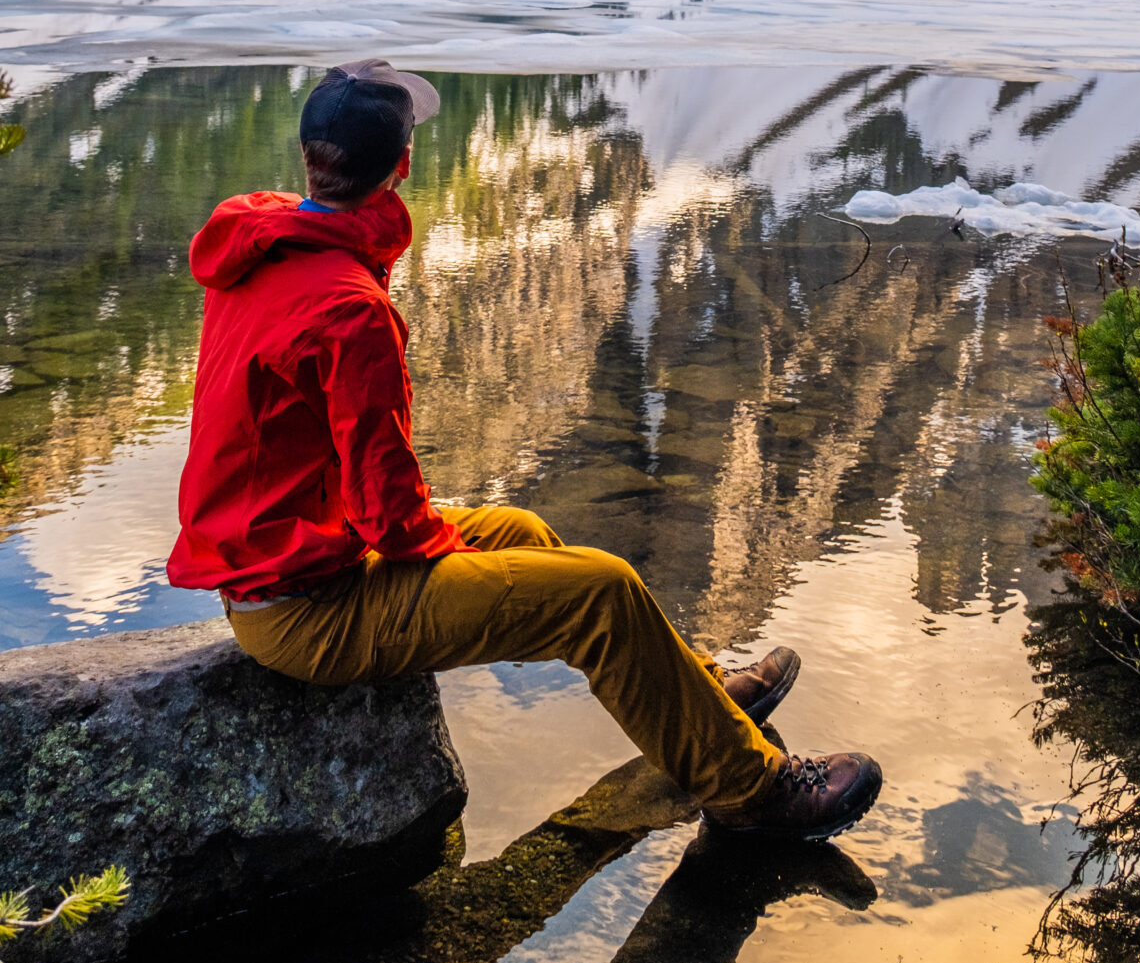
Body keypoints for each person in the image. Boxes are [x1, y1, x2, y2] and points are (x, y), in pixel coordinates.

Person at [168, 60, 882, 841]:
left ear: (311, 153)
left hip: (292, 559)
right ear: (402, 164)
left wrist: (431, 538)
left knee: (519, 531)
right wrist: (427, 542)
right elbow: (388, 508)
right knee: (598, 593)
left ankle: (702, 700)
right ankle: (757, 796)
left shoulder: (263, 238)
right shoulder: (348, 308)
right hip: (306, 608)